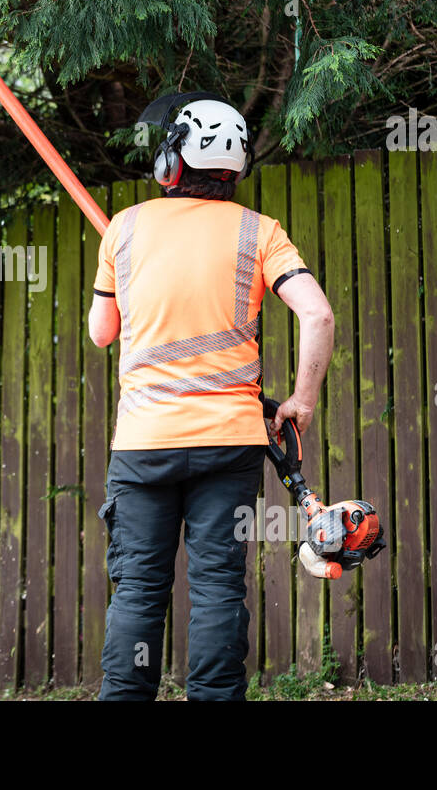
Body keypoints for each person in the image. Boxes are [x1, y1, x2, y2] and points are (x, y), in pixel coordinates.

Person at [88, 93, 334, 700]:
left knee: (139, 590)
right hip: (230, 442)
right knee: (219, 586)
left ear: (171, 163)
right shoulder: (259, 232)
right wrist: (300, 402)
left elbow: (101, 334)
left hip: (145, 446)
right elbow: (319, 314)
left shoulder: (124, 228)